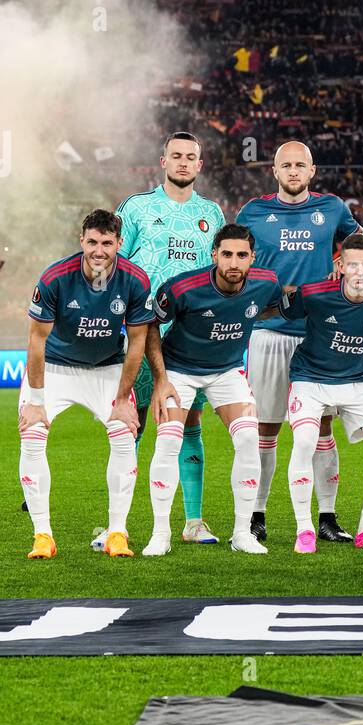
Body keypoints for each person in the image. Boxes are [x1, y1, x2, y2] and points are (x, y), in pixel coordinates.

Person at [237, 140, 360, 543]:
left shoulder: (333, 209)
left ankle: (327, 516)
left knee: (323, 427)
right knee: (266, 428)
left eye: (300, 165)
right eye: (285, 165)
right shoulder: (253, 212)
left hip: (317, 331)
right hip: (269, 332)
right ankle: (257, 515)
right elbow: (235, 261)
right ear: (274, 171)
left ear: (312, 171)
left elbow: (361, 249)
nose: (293, 171)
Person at [110, 130, 225, 548]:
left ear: (200, 164)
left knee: (190, 423)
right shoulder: (137, 209)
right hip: (142, 333)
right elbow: (116, 266)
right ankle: (115, 524)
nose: (182, 162)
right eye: (175, 155)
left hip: (191, 335)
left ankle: (193, 522)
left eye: (189, 157)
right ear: (163, 162)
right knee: (131, 423)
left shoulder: (211, 214)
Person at [18, 209, 154, 559]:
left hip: (106, 369)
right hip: (55, 369)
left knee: (124, 435)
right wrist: (35, 399)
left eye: (107, 243)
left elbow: (137, 342)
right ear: (82, 241)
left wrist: (124, 397)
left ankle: (118, 533)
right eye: (92, 242)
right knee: (32, 436)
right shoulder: (54, 278)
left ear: (119, 244)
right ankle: (42, 535)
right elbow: (36, 340)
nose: (99, 250)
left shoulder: (135, 280)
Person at [141, 224, 284, 557]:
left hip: (227, 371)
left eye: (242, 255)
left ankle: (242, 534)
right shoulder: (182, 288)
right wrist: (162, 380)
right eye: (227, 255)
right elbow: (150, 326)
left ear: (253, 258)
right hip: (179, 370)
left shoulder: (267, 283)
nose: (234, 263)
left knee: (249, 437)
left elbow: (275, 306)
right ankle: (160, 533)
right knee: (168, 440)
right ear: (214, 255)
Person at [260, 233, 363, 553]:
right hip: (310, 379)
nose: (359, 272)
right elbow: (275, 310)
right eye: (351, 265)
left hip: (357, 381)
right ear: (339, 266)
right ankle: (305, 530)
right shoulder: (313, 292)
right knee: (305, 441)